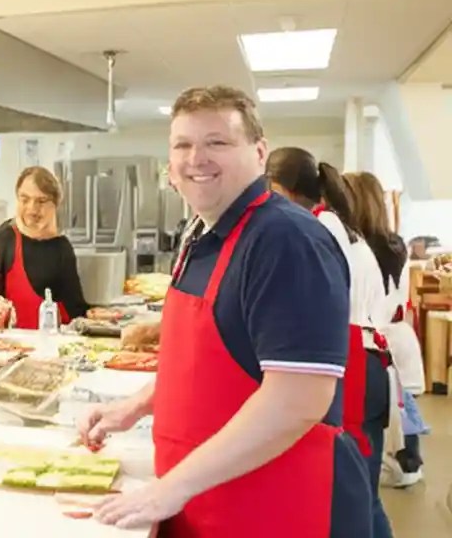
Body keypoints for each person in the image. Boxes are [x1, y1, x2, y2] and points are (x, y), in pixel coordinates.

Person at [78, 86, 370, 536]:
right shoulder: (202, 234)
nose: (197, 158)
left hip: (274, 510)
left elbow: (299, 400)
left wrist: (172, 487)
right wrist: (136, 406)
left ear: (259, 153)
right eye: (183, 144)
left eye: (217, 142)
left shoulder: (284, 240)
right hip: (209, 503)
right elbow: (205, 365)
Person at [266, 148, 393, 538]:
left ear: (280, 191)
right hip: (368, 358)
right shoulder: (338, 225)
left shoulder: (313, 229)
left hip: (352, 364)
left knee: (352, 493)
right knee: (362, 490)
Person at [344, 170, 429, 488]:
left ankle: (395, 466)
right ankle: (409, 463)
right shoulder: (395, 245)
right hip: (397, 335)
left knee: (380, 417)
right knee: (402, 407)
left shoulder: (357, 249)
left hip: (374, 340)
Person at [0, 166, 88, 328]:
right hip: (9, 347)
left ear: (55, 205)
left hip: (54, 346)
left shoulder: (61, 248)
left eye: (41, 201)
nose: (32, 209)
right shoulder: (5, 238)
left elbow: (75, 311)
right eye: (24, 199)